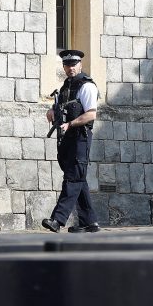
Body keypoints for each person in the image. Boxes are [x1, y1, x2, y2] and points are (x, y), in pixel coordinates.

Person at [41, 49, 101, 233]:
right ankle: (89, 222)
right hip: (68, 139)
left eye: (73, 64)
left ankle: (57, 220)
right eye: (67, 65)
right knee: (78, 178)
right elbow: (61, 106)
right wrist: (52, 110)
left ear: (80, 65)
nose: (70, 68)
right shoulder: (66, 86)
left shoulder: (87, 86)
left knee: (73, 178)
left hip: (80, 137)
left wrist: (71, 124)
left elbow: (91, 114)